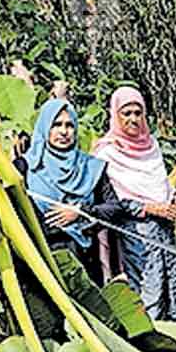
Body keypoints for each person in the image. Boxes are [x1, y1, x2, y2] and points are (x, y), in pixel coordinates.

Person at [21, 98, 141, 284]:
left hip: (84, 259)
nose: (63, 132)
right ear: (45, 128)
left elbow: (114, 207)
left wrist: (81, 211)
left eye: (69, 125)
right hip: (40, 261)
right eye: (56, 125)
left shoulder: (90, 167)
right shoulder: (25, 167)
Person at [92, 86, 176, 320]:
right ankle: (149, 337)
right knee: (147, 289)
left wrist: (174, 200)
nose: (133, 119)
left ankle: (173, 335)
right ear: (115, 115)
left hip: (164, 229)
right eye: (126, 113)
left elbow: (161, 186)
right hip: (136, 233)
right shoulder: (107, 153)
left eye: (138, 112)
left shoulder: (151, 146)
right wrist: (152, 208)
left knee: (170, 287)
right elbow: (112, 201)